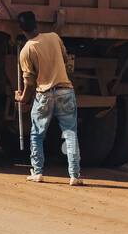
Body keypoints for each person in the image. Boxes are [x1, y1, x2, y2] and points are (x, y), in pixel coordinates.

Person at [15, 10, 82, 186]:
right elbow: (66, 59)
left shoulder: (26, 50)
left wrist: (22, 99)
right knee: (70, 134)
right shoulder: (54, 37)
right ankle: (74, 175)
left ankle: (37, 172)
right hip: (65, 91)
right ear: (36, 23)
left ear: (21, 30)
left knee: (37, 135)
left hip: (43, 94)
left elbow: (29, 83)